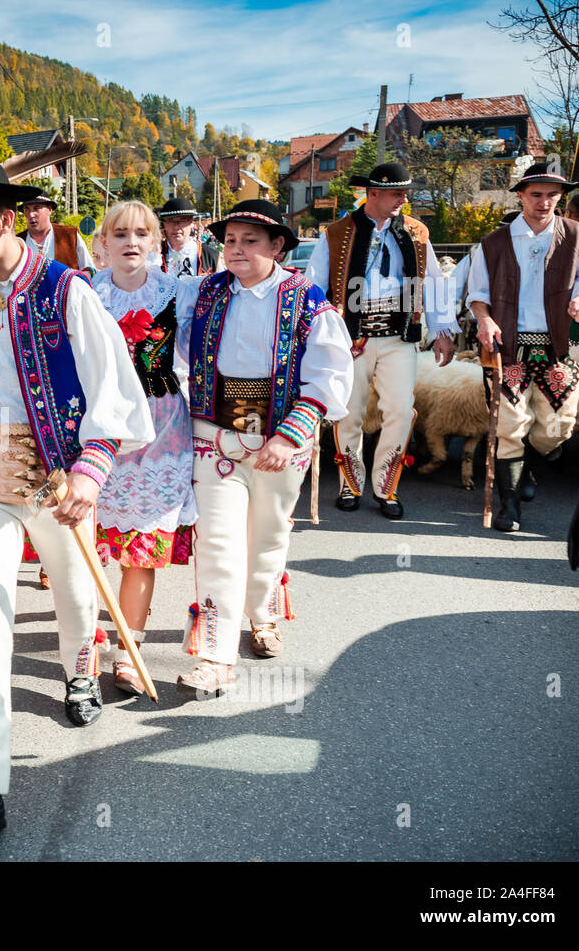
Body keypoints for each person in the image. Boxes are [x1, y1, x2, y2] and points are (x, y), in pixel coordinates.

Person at [0, 157, 153, 837]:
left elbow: (116, 389)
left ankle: (80, 670)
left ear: (7, 220)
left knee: (75, 591)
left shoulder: (64, 289)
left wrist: (90, 471)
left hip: (58, 469)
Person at [174, 199, 353, 692]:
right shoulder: (203, 293)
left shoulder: (308, 299)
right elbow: (164, 334)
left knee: (269, 534)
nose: (235, 250)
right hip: (216, 436)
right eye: (229, 241)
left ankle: (262, 613)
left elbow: (329, 377)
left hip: (280, 439)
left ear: (277, 246)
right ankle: (214, 656)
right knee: (218, 545)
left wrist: (289, 434)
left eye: (249, 241)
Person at [307, 162, 457, 520]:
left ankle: (386, 486)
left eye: (405, 192)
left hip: (399, 335)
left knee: (401, 411)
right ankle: (350, 482)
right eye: (396, 193)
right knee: (349, 411)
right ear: (372, 193)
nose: (403, 199)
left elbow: (434, 282)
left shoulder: (418, 232)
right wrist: (313, 335)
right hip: (352, 337)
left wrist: (443, 332)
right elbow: (313, 285)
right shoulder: (338, 232)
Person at [90, 201, 196, 695]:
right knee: (87, 549)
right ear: (103, 243)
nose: (131, 241)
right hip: (98, 430)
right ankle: (87, 643)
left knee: (139, 550)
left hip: (160, 430)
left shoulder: (180, 292)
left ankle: (129, 650)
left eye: (142, 233)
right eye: (120, 233)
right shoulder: (84, 293)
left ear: (156, 243)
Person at [466, 162, 579, 532]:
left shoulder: (578, 236)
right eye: (536, 195)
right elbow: (477, 294)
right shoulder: (494, 243)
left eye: (551, 196)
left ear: (560, 198)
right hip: (508, 347)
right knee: (510, 425)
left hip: (559, 347)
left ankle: (527, 464)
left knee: (557, 427)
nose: (544, 202)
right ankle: (508, 505)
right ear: (521, 197)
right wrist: (484, 318)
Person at [17, 194, 95, 272]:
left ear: (50, 210)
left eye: (36, 208)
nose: (31, 214)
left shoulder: (69, 236)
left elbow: (89, 270)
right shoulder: (18, 242)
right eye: (26, 209)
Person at [156, 197, 220, 277]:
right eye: (170, 221)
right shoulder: (153, 254)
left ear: (191, 221)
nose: (176, 227)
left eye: (181, 221)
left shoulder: (212, 257)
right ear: (164, 224)